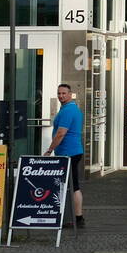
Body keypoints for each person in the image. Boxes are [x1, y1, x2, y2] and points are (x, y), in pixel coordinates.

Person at [44, 84, 86, 229]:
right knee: (69, 185)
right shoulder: (69, 109)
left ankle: (78, 218)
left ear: (70, 94)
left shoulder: (69, 110)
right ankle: (71, 217)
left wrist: (49, 150)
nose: (61, 96)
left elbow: (61, 133)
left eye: (64, 93)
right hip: (70, 152)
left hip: (69, 153)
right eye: (59, 93)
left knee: (73, 186)